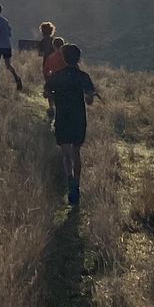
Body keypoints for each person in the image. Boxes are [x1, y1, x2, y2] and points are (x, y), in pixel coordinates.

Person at [46, 43, 97, 207]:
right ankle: (76, 183)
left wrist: (53, 95)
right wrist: (90, 95)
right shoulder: (83, 76)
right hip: (78, 117)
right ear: (78, 58)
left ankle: (70, 180)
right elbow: (89, 100)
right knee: (76, 151)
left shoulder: (56, 76)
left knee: (66, 153)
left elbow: (46, 92)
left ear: (64, 58)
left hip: (62, 117)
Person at [0, 4, 23, 91]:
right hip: (7, 45)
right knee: (8, 65)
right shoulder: (5, 21)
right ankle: (17, 78)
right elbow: (9, 34)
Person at [35, 21, 64, 116]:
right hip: (58, 66)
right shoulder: (55, 41)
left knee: (49, 87)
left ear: (42, 31)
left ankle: (51, 107)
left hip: (47, 66)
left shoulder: (42, 42)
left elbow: (40, 54)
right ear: (52, 31)